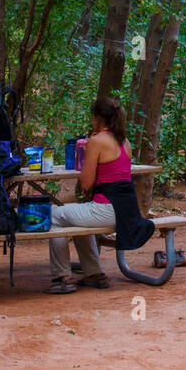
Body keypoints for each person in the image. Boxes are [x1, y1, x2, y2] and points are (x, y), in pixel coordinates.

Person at [47, 96, 132, 294]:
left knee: (53, 215)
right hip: (126, 210)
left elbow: (86, 184)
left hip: (106, 210)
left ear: (97, 118)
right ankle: (95, 273)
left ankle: (61, 277)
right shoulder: (125, 141)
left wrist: (87, 153)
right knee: (76, 217)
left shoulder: (96, 141)